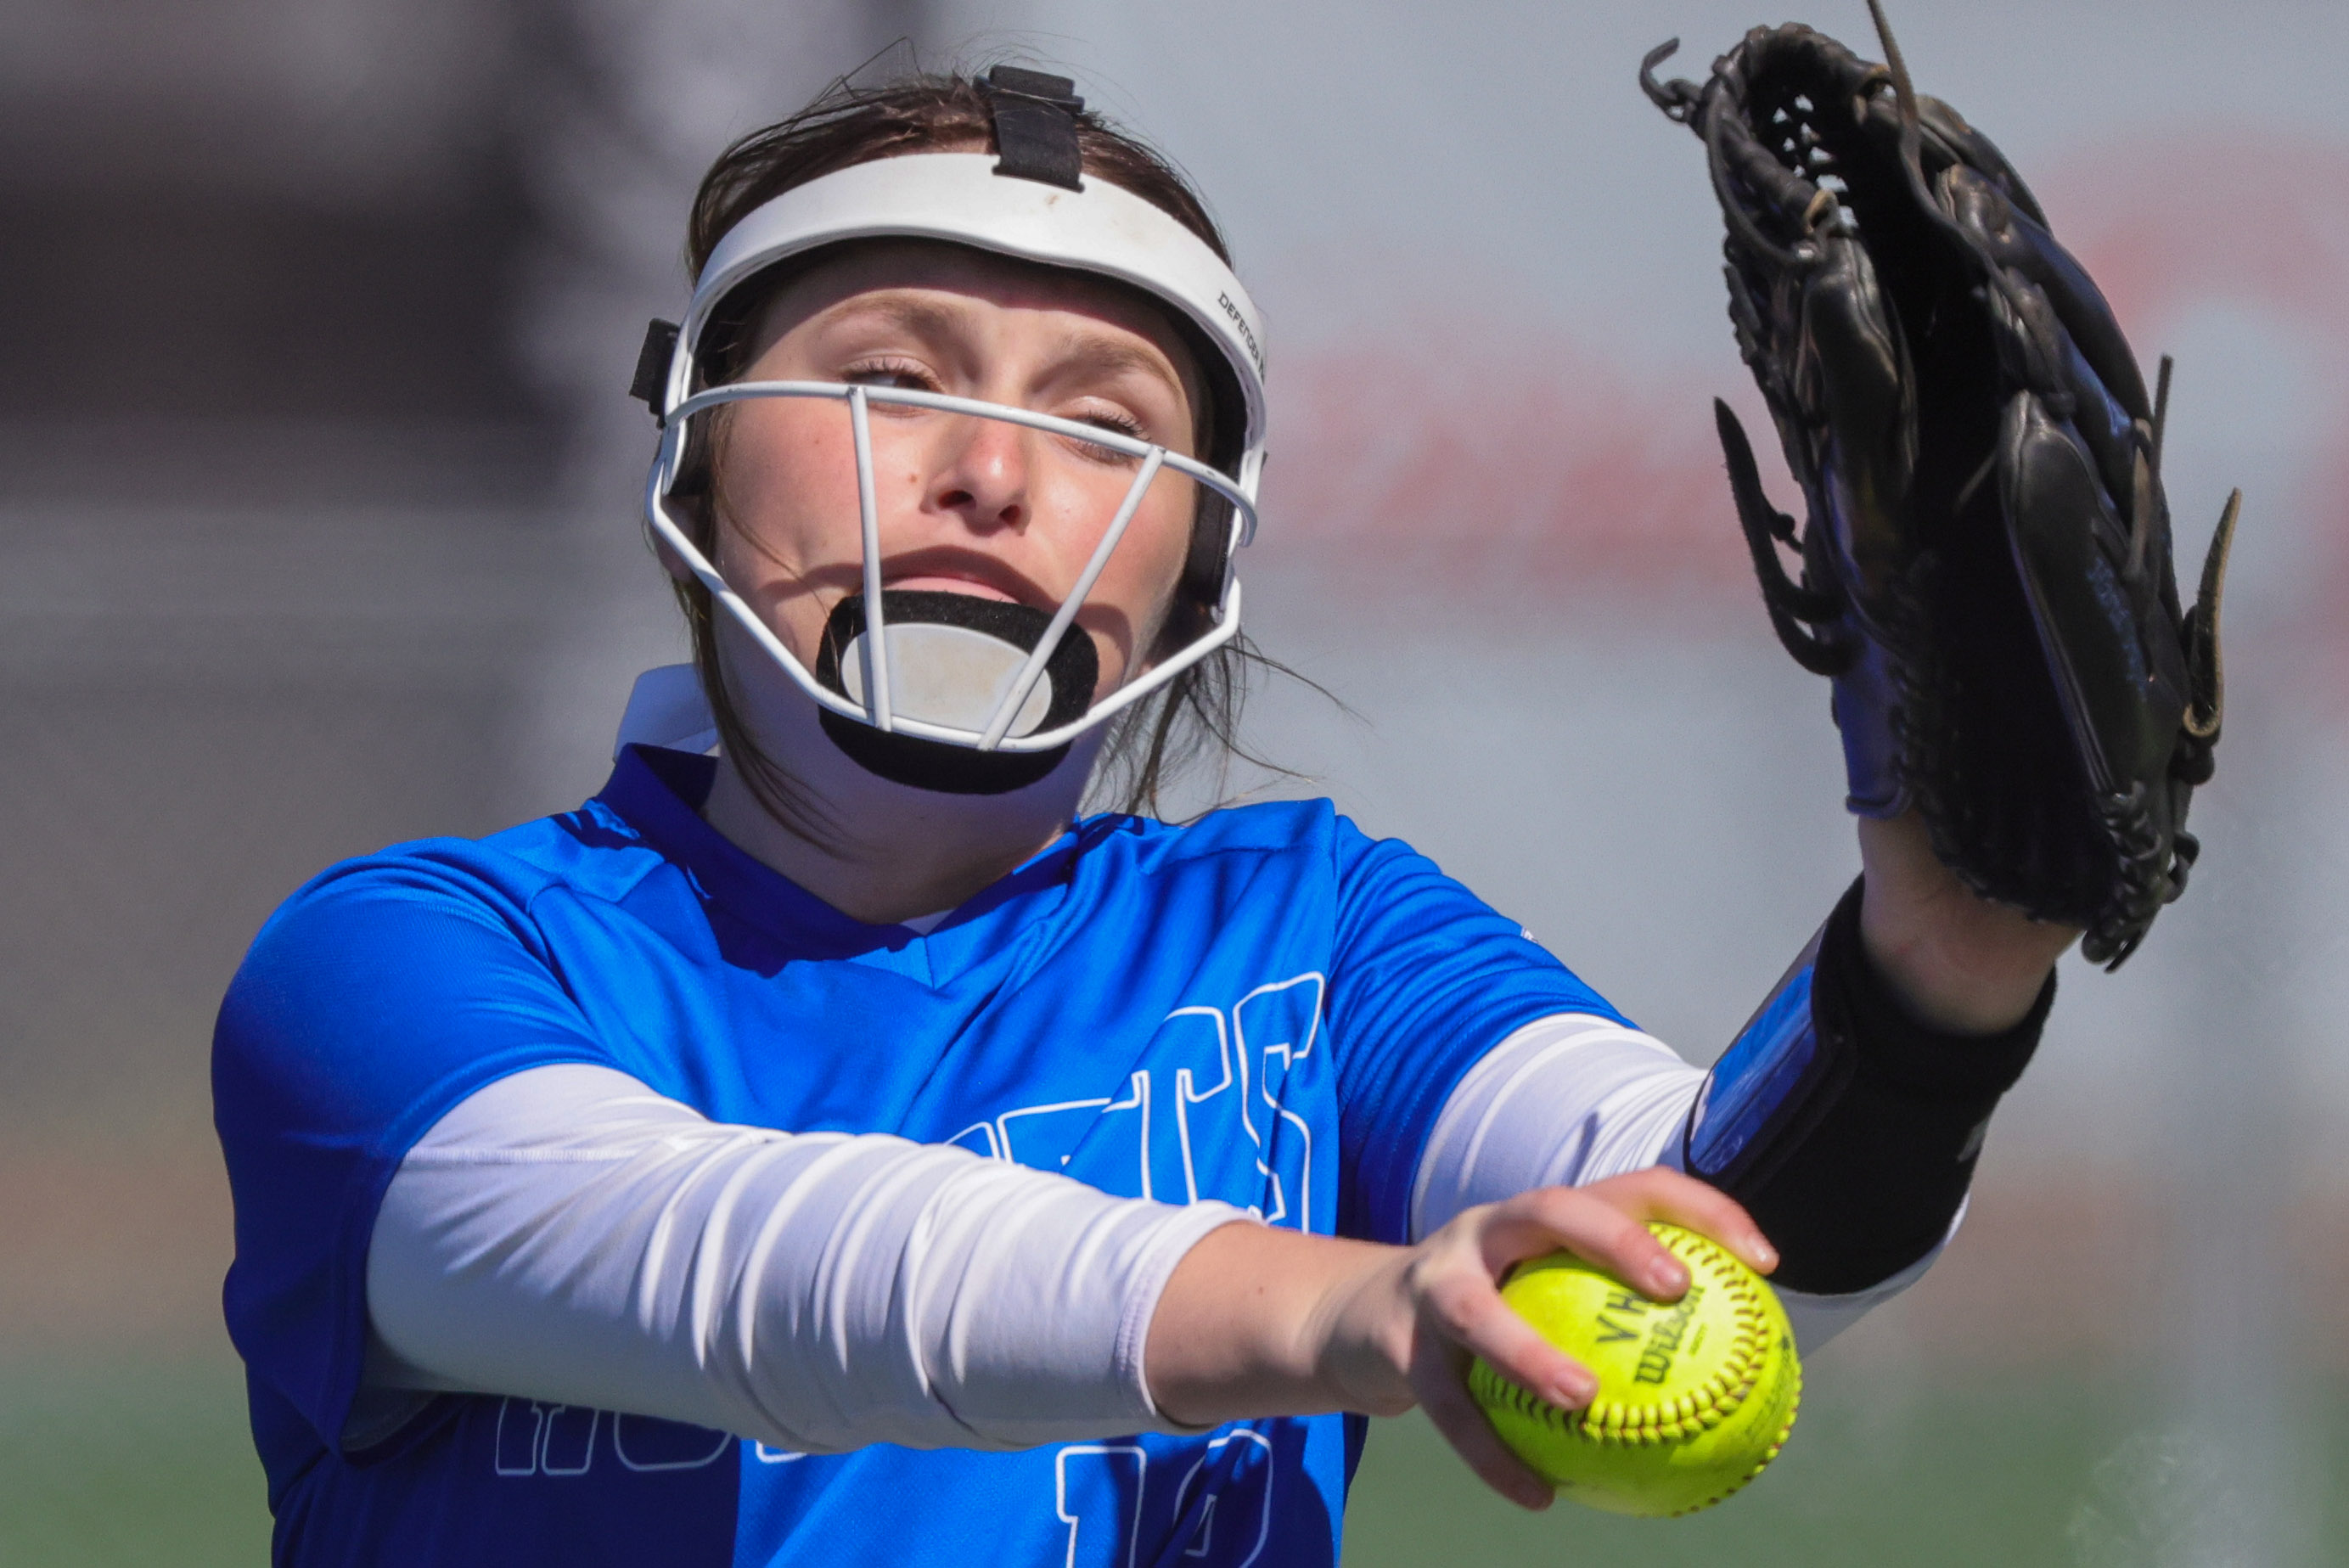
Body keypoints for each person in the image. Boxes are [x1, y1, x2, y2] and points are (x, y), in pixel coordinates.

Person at [213, 66, 2072, 1568]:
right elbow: (751, 1276)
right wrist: (1345, 1311)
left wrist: (1941, 975)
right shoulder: (408, 960)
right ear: (695, 441)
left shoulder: (1315, 939)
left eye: (1106, 422)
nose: (995, 473)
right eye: (886, 380)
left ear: (1206, 560)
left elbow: (1703, 1264)